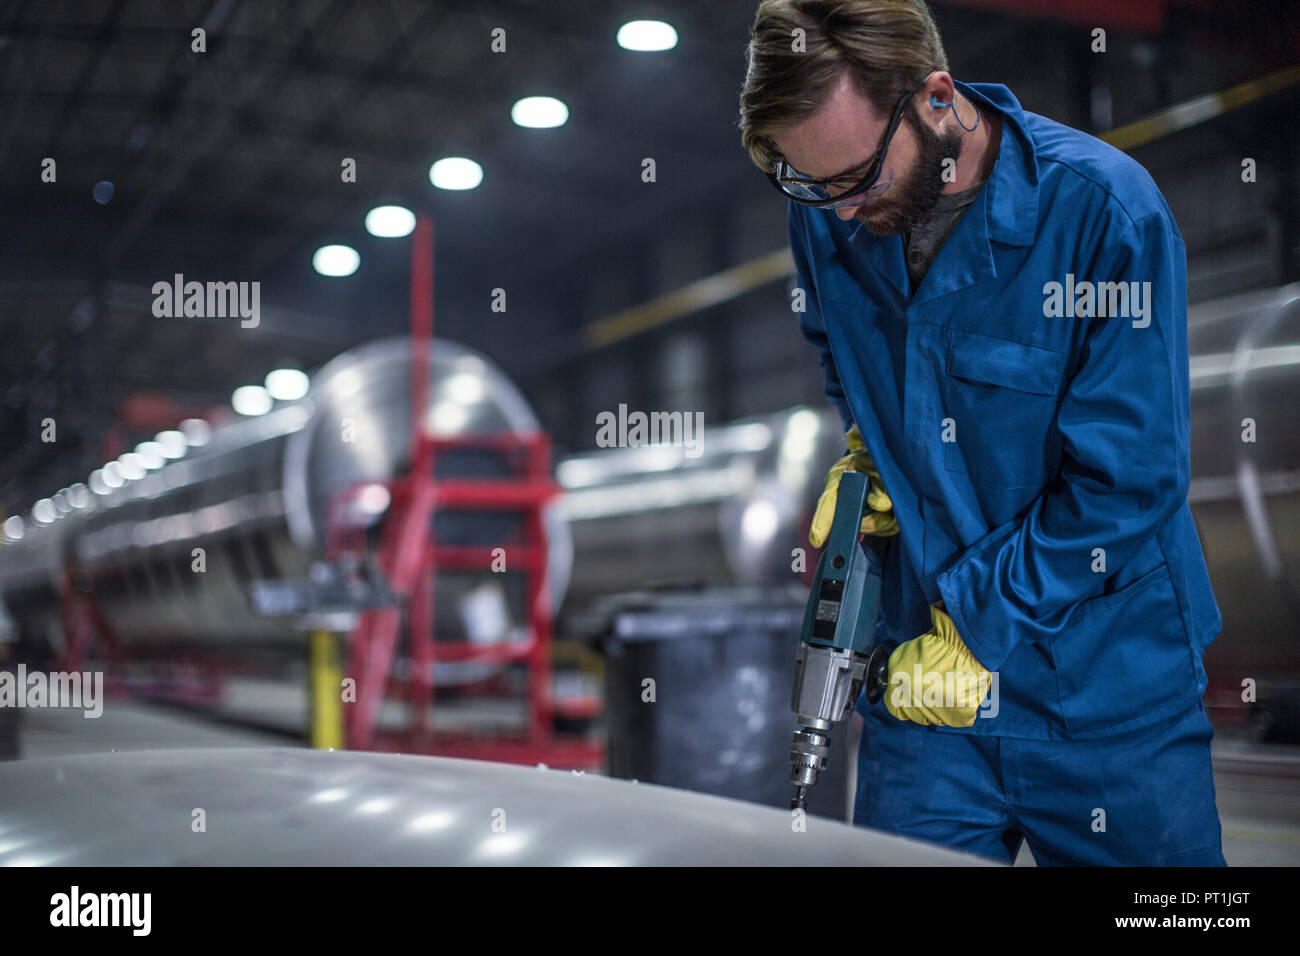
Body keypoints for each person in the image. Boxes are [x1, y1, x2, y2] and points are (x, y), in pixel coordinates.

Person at [739, 0, 1226, 865]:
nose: (840, 215)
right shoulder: (825, 205)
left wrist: (977, 623)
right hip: (925, 697)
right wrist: (868, 447)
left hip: (1103, 691)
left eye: (855, 179)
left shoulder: (1104, 215)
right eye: (808, 184)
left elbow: (1131, 481)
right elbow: (835, 346)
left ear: (935, 99)